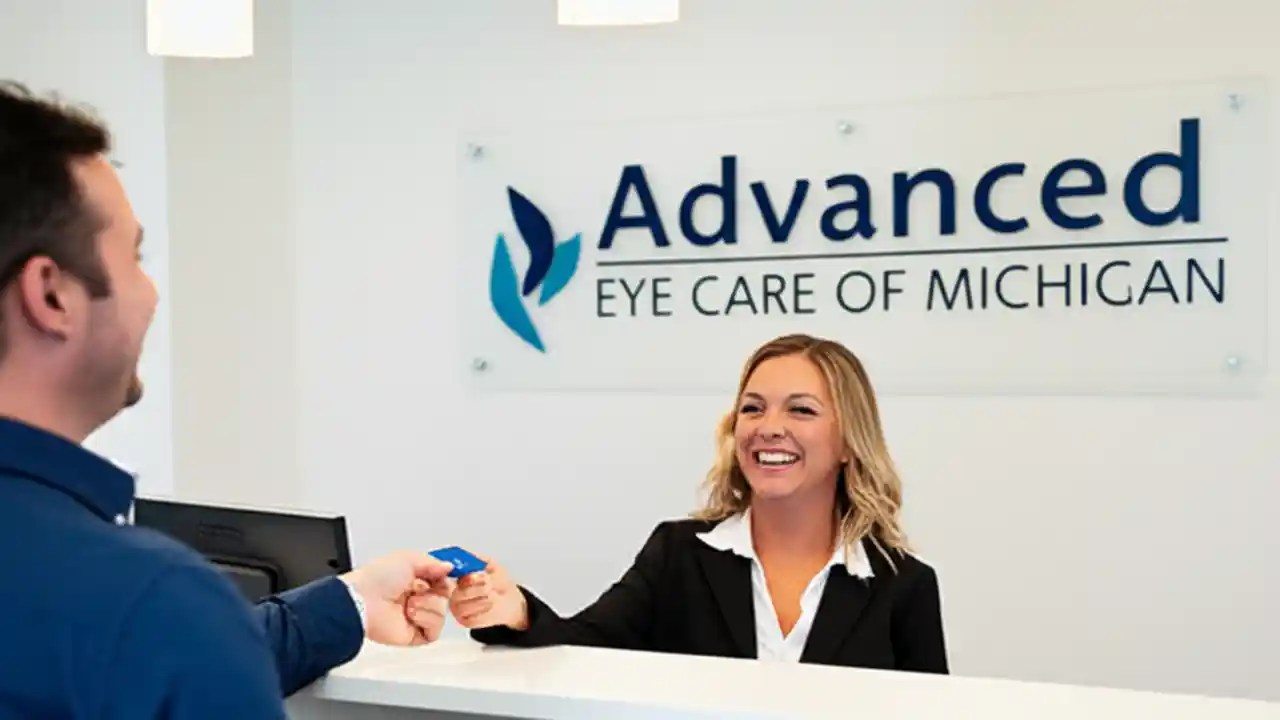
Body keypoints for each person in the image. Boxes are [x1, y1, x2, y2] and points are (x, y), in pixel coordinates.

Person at [0, 81, 451, 718]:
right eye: (135, 258)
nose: (151, 292)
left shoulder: (139, 618)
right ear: (52, 296)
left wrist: (349, 603)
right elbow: (152, 645)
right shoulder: (146, 603)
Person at [443, 333, 948, 672]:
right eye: (753, 408)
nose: (769, 427)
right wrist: (516, 612)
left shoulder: (903, 585)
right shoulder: (677, 554)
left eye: (801, 410)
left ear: (848, 442)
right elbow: (581, 648)